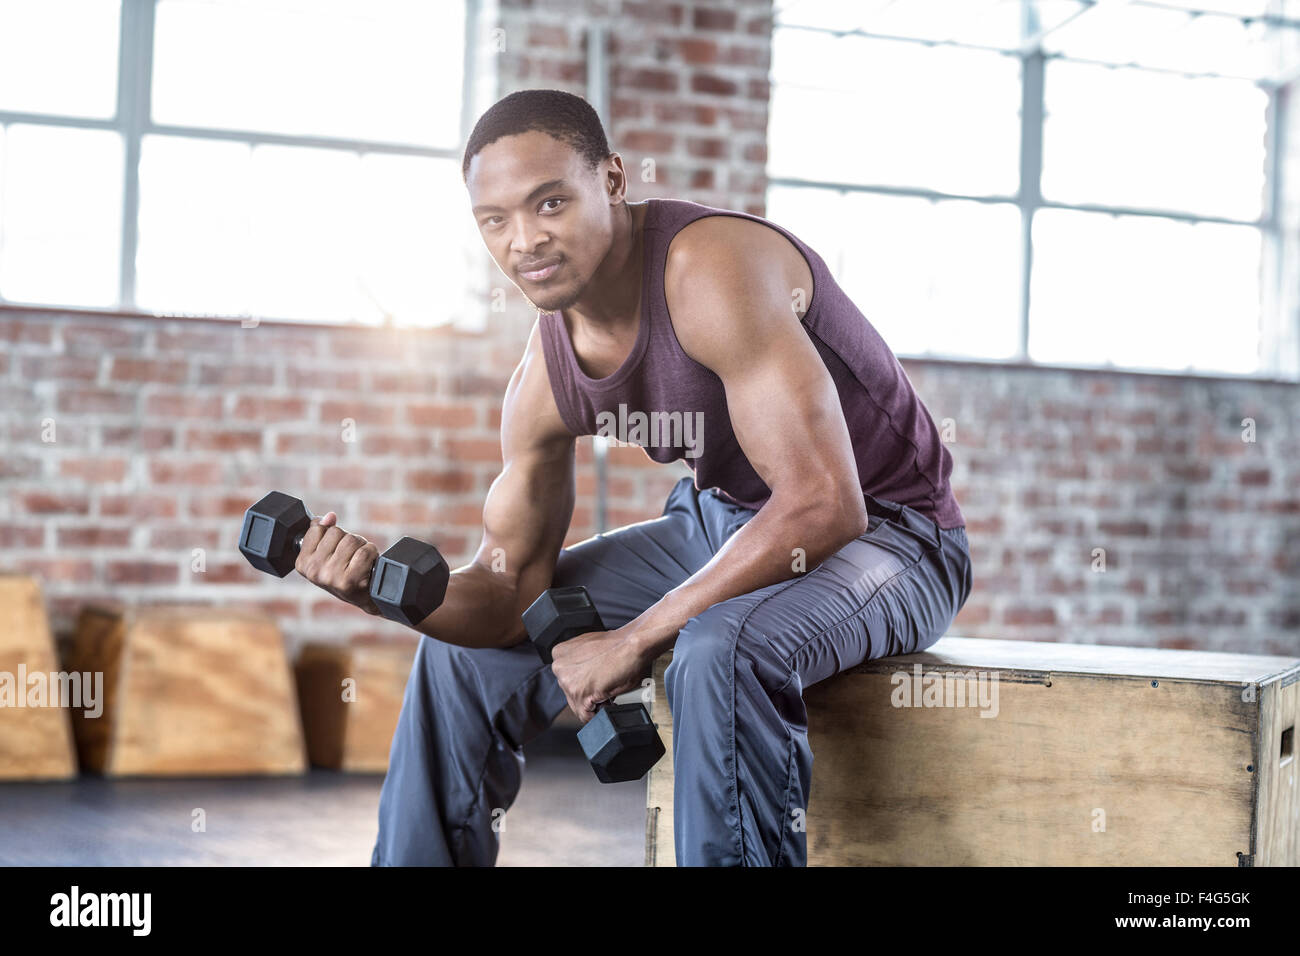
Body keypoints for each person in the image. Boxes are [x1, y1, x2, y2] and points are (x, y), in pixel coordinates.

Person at [295, 88, 972, 866]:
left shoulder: (710, 270)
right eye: (496, 220)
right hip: (718, 523)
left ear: (612, 180)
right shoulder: (543, 378)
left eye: (549, 203)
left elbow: (824, 503)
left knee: (722, 648)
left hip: (895, 537)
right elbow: (509, 590)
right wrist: (384, 590)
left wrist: (637, 638)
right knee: (461, 657)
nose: (524, 241)